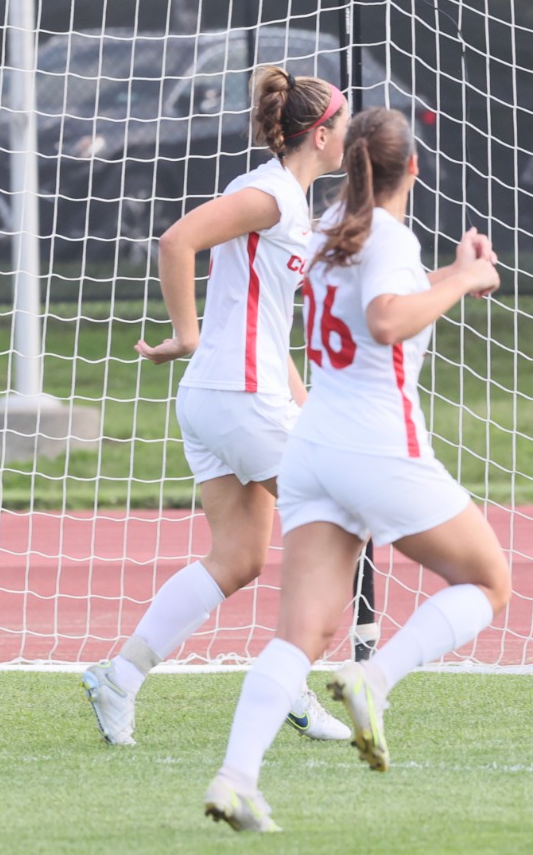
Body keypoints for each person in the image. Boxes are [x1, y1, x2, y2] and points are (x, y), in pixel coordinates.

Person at [203, 108, 510, 832]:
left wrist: (455, 271)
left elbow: (385, 292)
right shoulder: (389, 236)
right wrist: (466, 279)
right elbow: (386, 319)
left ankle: (235, 778)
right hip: (377, 446)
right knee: (489, 581)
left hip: (312, 449)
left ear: (352, 159)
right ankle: (374, 677)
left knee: (302, 633)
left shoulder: (329, 228)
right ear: (415, 169)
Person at [84, 67, 352, 747]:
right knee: (336, 525)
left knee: (238, 558)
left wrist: (305, 404)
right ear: (321, 134)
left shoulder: (282, 198)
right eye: (344, 122)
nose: (350, 133)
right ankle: (288, 686)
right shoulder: (271, 195)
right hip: (236, 395)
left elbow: (267, 323)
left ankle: (119, 678)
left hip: (221, 397)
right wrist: (186, 334)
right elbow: (176, 240)